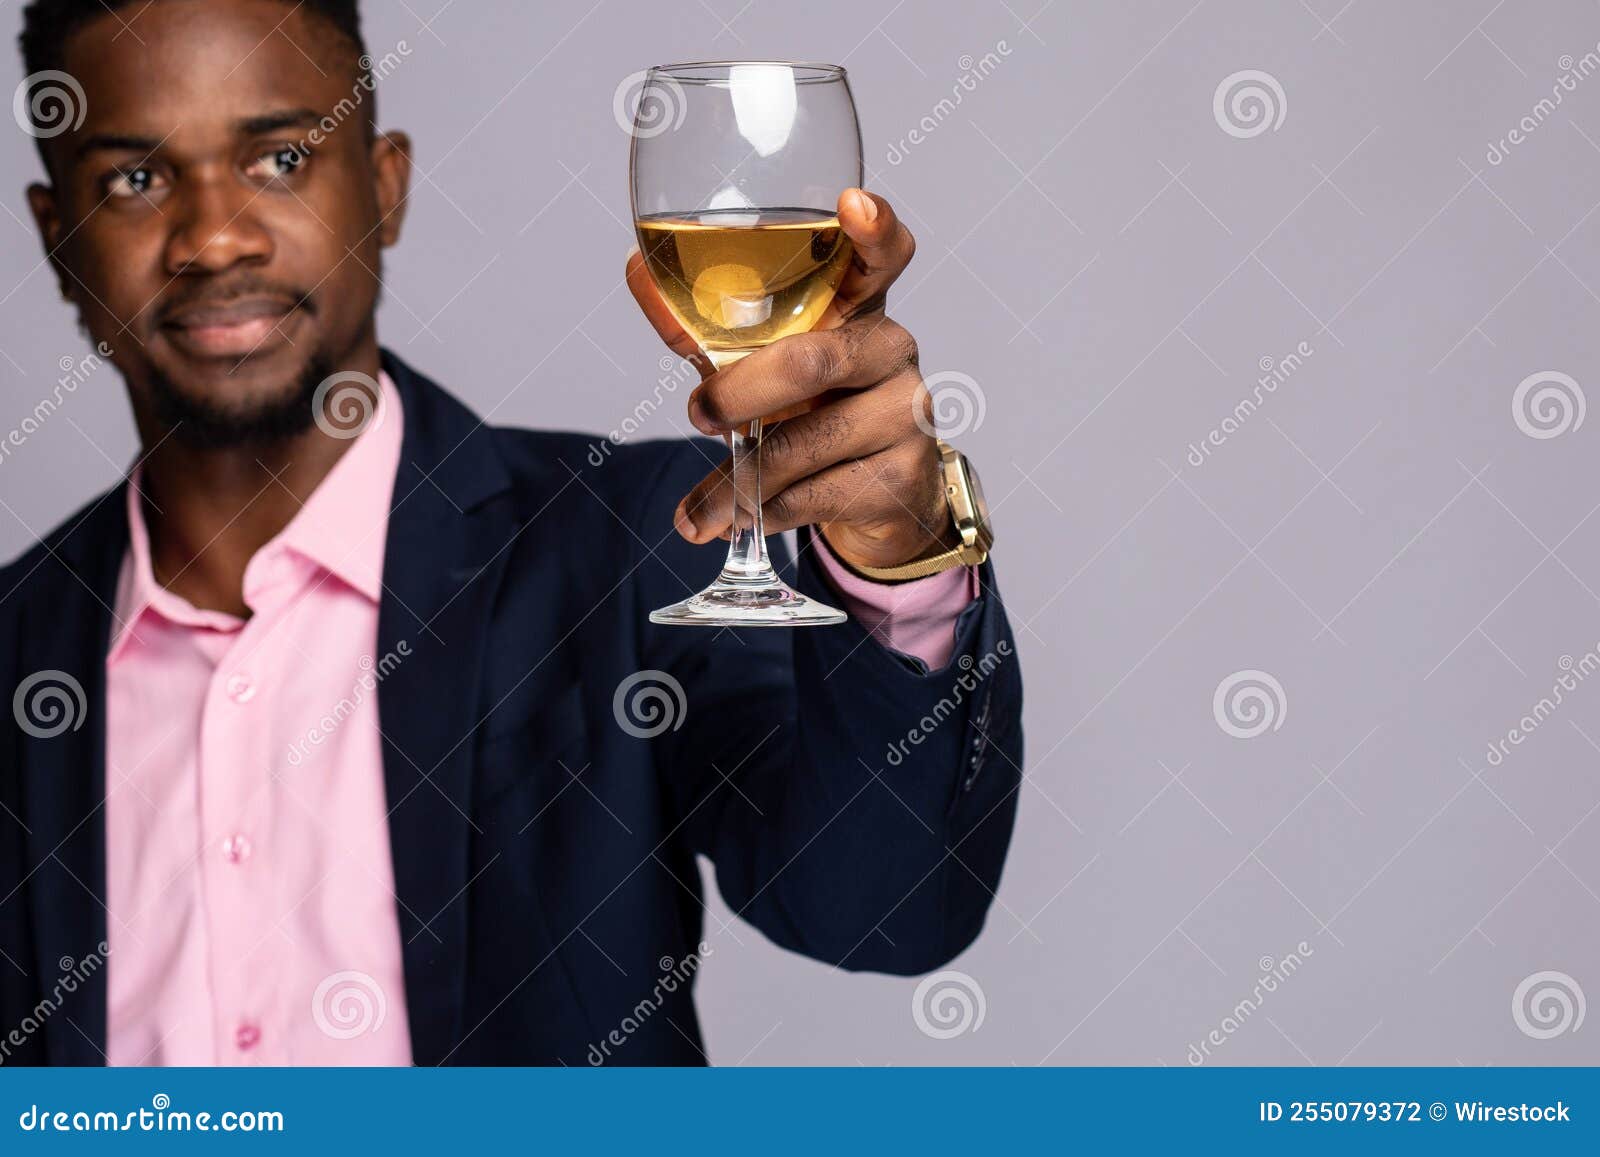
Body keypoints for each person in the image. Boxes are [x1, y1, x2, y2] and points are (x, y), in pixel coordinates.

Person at [0, 0, 1021, 1066]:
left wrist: (890, 555)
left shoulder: (633, 545)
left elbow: (886, 905)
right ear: (54, 230)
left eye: (282, 157)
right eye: (134, 178)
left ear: (384, 185)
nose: (214, 236)